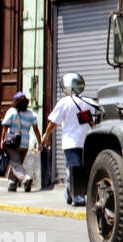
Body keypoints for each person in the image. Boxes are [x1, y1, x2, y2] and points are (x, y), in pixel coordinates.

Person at [40, 73, 99, 207]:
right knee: (78, 168)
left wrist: (46, 136)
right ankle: (70, 194)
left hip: (70, 143)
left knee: (72, 169)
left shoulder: (64, 102)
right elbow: (92, 123)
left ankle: (77, 197)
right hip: (84, 141)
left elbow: (53, 122)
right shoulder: (87, 102)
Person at [0, 91, 42, 193]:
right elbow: (36, 130)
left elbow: (5, 127)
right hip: (24, 143)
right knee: (17, 164)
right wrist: (40, 143)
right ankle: (12, 184)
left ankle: (26, 179)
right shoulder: (31, 114)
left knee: (15, 164)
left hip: (12, 142)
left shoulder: (11, 111)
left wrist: (2, 140)